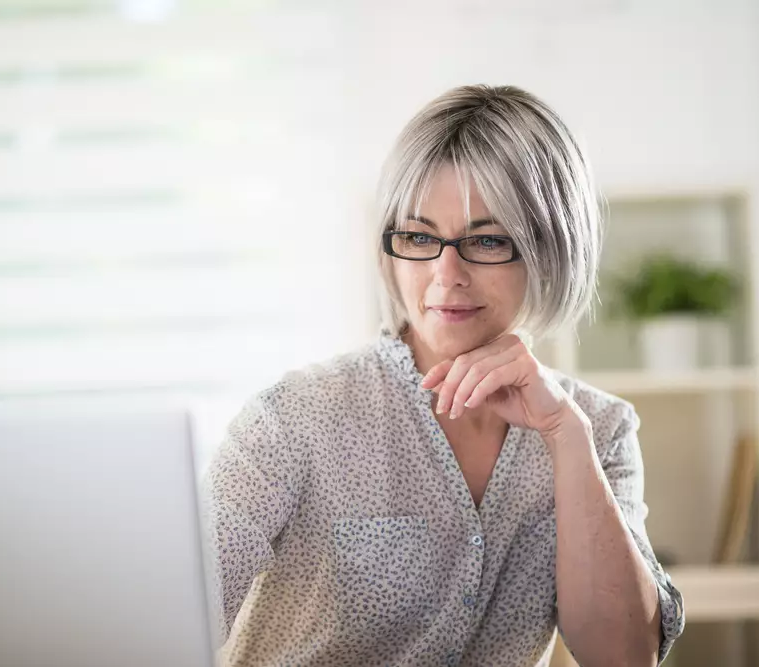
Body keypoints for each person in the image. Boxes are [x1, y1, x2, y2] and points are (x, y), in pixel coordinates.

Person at [201, 84, 685, 667]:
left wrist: (564, 436)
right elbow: (160, 620)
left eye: (485, 239)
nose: (444, 273)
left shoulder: (598, 430)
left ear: (550, 250)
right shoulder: (293, 420)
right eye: (419, 236)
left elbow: (623, 657)